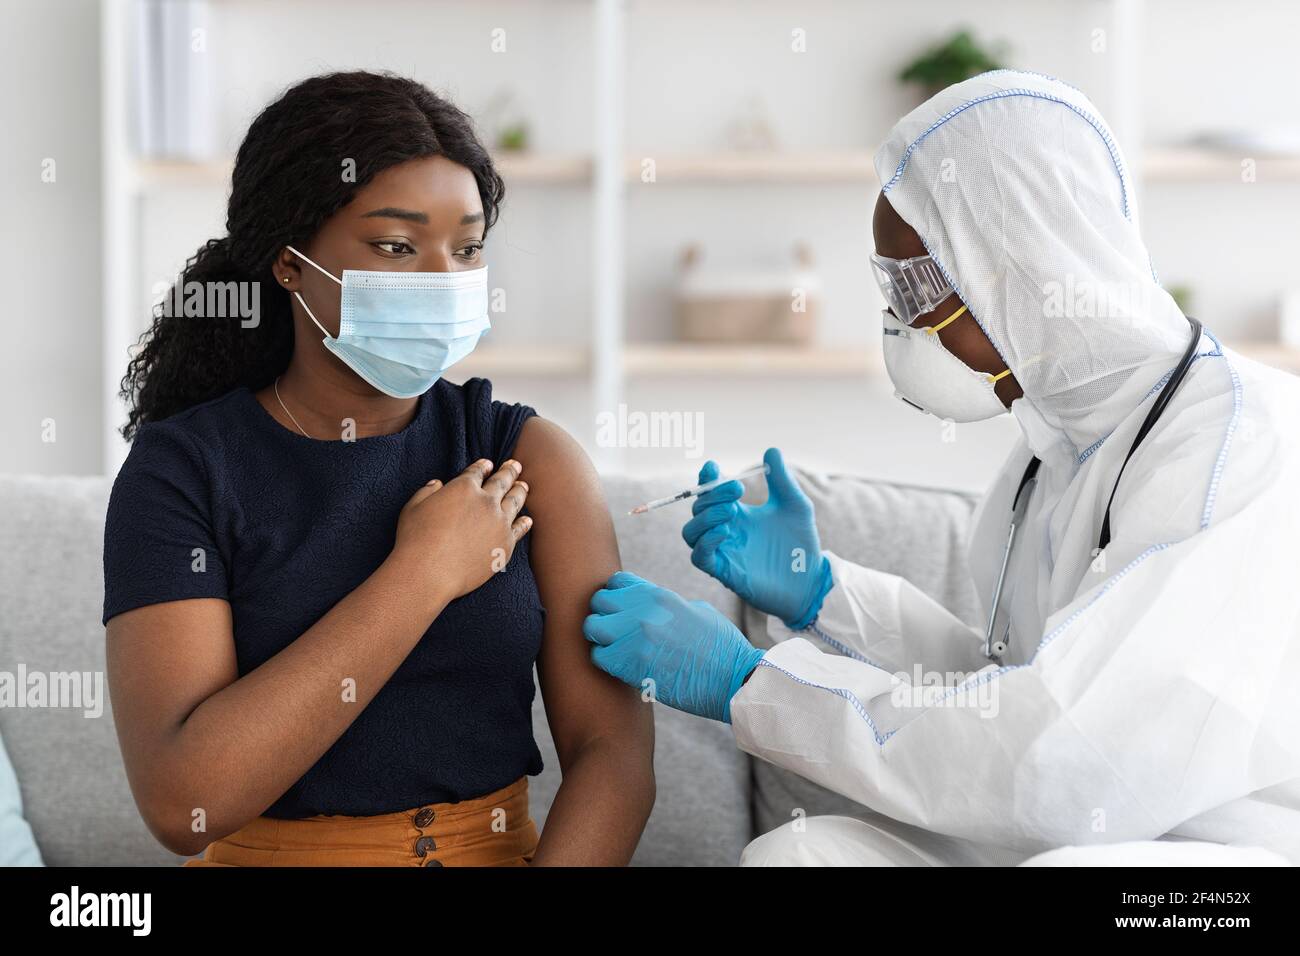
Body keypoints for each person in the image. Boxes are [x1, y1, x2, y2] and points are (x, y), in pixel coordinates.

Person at [583, 70, 1300, 866]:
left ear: (1022, 265)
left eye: (919, 284)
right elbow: (999, 695)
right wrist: (825, 592)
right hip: (1076, 830)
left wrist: (751, 685)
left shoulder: (1244, 447)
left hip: (1223, 871)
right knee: (802, 857)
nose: (904, 322)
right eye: (891, 287)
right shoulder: (1053, 449)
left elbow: (1065, 762)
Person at [104, 72, 654, 867]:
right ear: (288, 265)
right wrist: (424, 572)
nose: (443, 279)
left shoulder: (530, 459)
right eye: (397, 247)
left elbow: (615, 758)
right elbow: (184, 805)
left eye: (466, 248)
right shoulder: (182, 473)